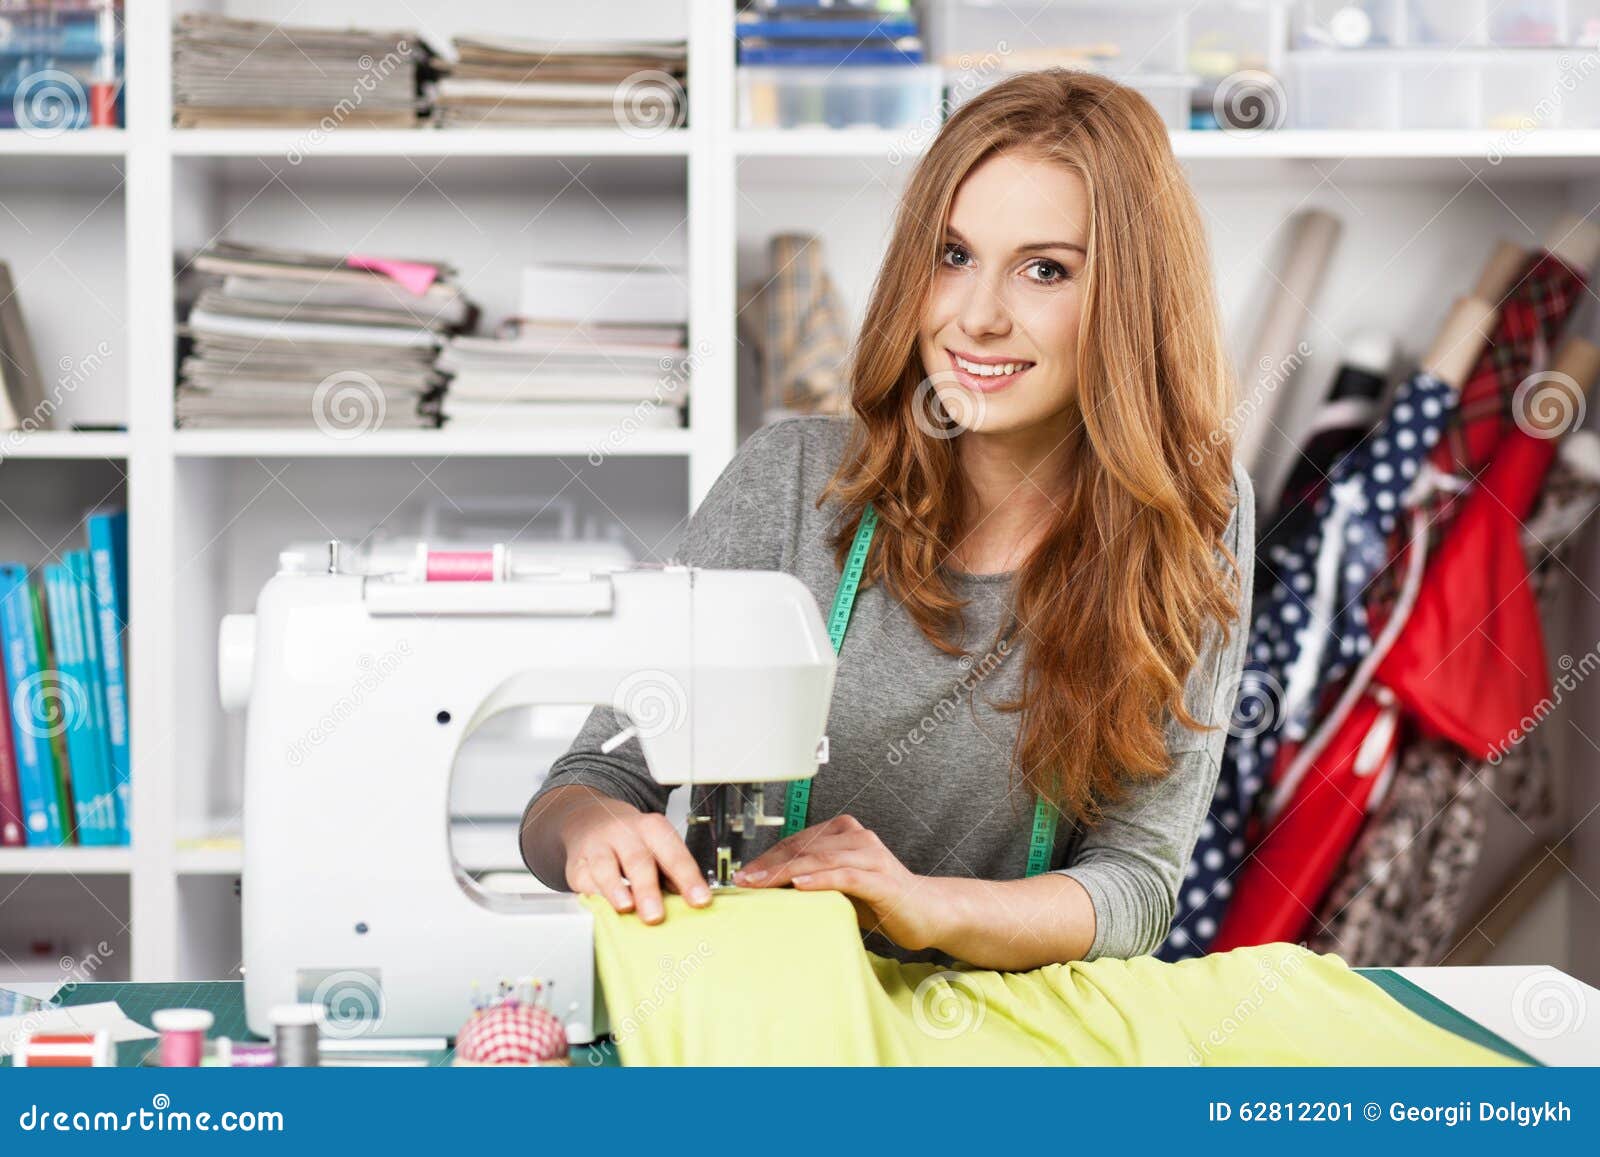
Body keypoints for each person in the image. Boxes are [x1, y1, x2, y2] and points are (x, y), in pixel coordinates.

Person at [521, 69, 1254, 969]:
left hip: (995, 1044)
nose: (977, 316)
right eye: (953, 256)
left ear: (1132, 298)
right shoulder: (790, 482)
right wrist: (595, 829)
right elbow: (588, 781)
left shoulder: (1189, 521)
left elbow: (1137, 885)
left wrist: (921, 904)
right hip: (751, 1020)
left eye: (1045, 269)